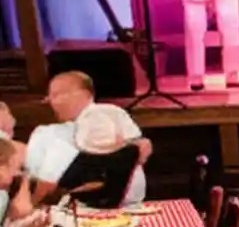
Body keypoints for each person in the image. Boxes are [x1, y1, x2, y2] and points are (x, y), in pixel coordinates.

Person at [25, 72, 148, 206]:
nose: (50, 101)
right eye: (50, 96)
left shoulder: (108, 113)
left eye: (57, 94)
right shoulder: (52, 132)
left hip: (122, 202)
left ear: (84, 94)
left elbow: (138, 147)